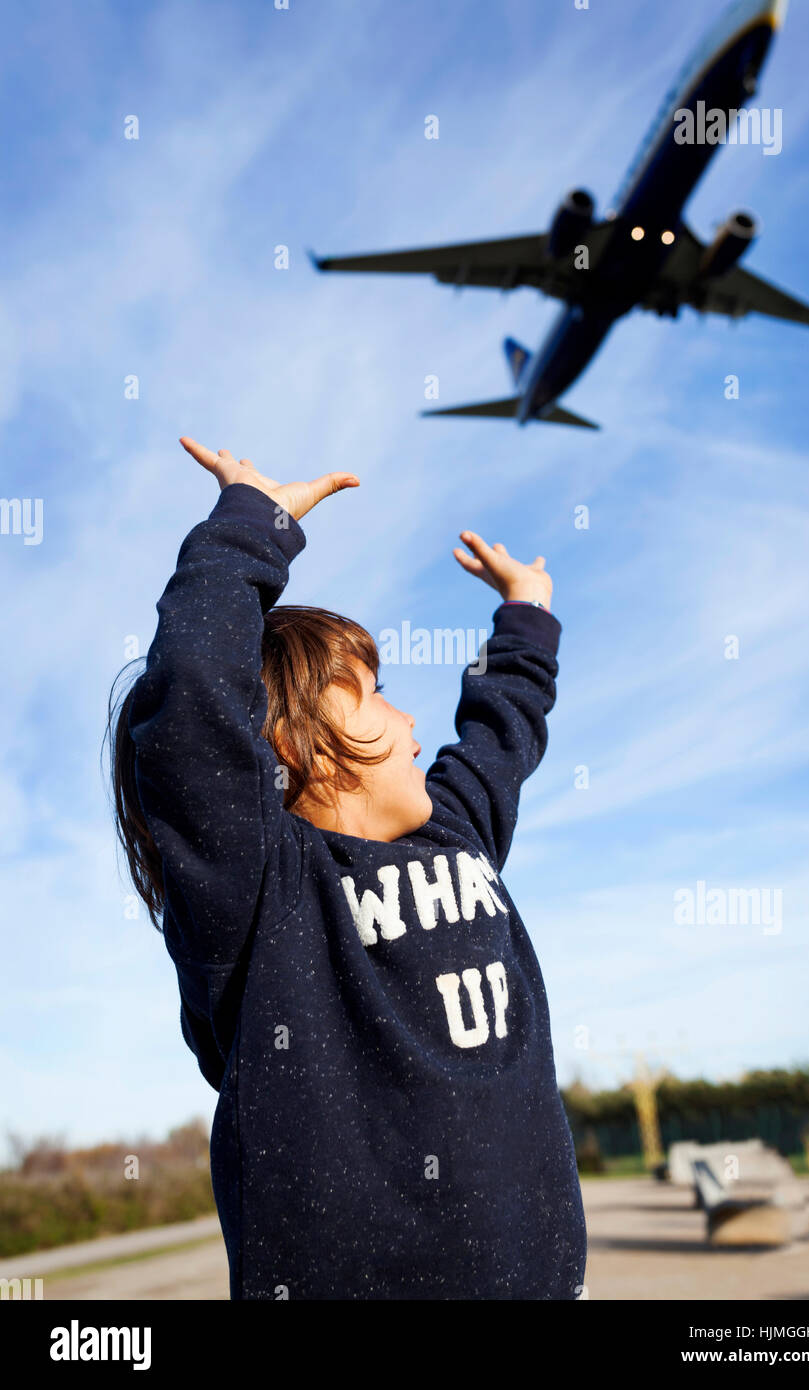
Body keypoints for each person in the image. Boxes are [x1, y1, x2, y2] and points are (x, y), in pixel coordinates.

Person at [108, 437, 587, 1299]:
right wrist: (252, 522)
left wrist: (527, 612)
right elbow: (189, 709)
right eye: (371, 694)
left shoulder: (456, 833)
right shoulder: (260, 887)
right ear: (290, 752)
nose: (410, 722)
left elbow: (499, 733)